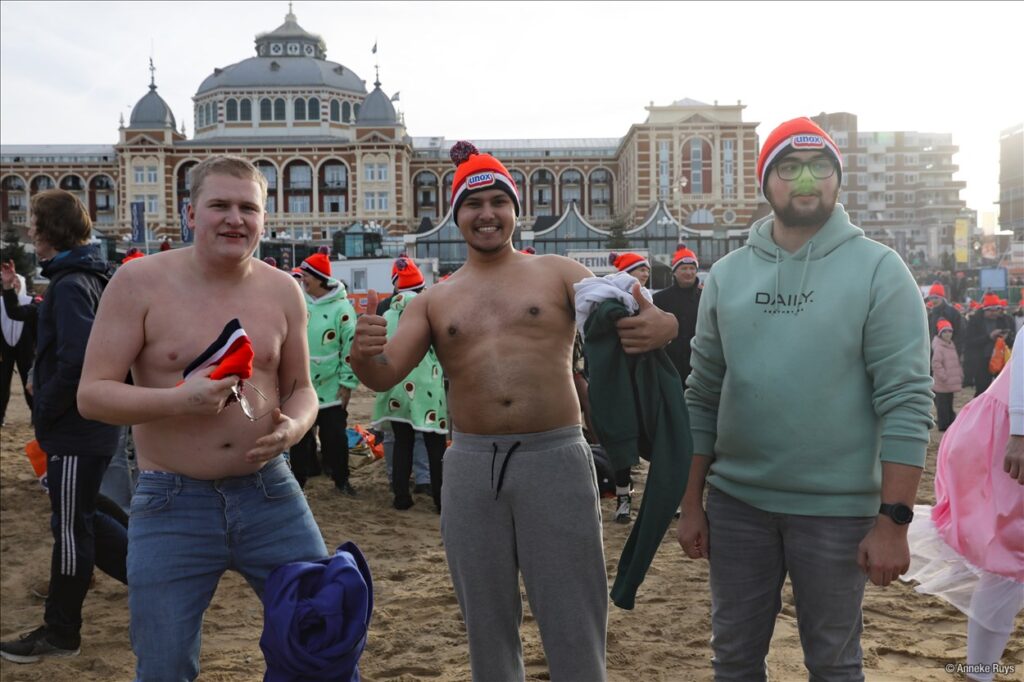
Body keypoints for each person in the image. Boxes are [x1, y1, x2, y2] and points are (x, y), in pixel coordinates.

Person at [351, 140, 677, 681]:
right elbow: (384, 373)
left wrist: (665, 325)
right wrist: (362, 355)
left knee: (573, 612)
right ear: (456, 215)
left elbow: (636, 304)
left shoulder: (557, 272)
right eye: (473, 205)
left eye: (498, 202)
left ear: (514, 211)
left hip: (554, 456)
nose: (487, 214)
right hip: (473, 464)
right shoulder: (435, 299)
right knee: (486, 619)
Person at [677, 117, 934, 681]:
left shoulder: (879, 270)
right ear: (766, 182)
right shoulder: (726, 275)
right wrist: (692, 500)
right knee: (735, 660)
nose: (805, 180)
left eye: (820, 167)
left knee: (835, 663)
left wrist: (893, 521)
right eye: (788, 167)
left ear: (838, 181)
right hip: (737, 505)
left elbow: (907, 402)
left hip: (838, 512)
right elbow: (703, 395)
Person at [74, 155, 328, 680]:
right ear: (190, 213)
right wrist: (178, 400)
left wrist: (294, 428)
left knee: (322, 638)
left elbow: (303, 389)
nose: (235, 218)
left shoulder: (284, 290)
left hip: (270, 494)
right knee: (164, 665)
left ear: (264, 218)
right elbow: (92, 395)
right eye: (219, 205)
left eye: (247, 208)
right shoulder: (138, 281)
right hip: (172, 502)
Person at [0, 189, 129, 663]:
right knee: (84, 512)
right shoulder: (78, 276)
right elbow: (41, 322)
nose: (29, 230)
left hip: (76, 429)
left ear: (50, 231)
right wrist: (15, 293)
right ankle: (149, 570)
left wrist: (45, 404)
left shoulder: (74, 282)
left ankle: (61, 633)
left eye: (34, 222)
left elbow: (78, 358)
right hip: (83, 428)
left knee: (72, 529)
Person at [903, 348, 1023, 682]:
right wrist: (1020, 431)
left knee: (1008, 561)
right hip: (1008, 436)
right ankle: (979, 673)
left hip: (1006, 430)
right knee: (1008, 557)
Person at [371, 256, 447, 512]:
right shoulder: (432, 310)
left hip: (397, 384)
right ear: (421, 286)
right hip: (429, 388)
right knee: (435, 444)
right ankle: (439, 499)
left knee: (402, 442)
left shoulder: (386, 311)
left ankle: (401, 497)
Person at [291, 247, 359, 494]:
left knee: (335, 439)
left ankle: (341, 480)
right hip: (301, 386)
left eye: (306, 275)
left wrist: (348, 383)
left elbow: (349, 347)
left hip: (332, 387)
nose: (303, 280)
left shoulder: (342, 309)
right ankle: (297, 484)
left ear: (319, 277)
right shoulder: (299, 302)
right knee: (298, 439)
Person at [606, 250, 654, 523]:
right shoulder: (611, 300)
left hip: (645, 381)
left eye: (647, 270)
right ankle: (623, 498)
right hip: (619, 382)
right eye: (640, 269)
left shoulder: (651, 300)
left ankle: (661, 498)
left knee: (656, 439)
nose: (645, 274)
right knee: (621, 440)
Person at [652, 244, 702, 382]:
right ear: (674, 272)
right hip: (669, 365)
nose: (688, 272)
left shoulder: (706, 298)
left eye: (692, 268)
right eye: (684, 268)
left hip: (698, 365)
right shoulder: (660, 299)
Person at [1, 264, 36, 425]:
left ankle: (36, 416)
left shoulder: (31, 302)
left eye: (17, 283)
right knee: (2, 384)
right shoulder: (2, 302)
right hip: (4, 349)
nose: (15, 286)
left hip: (26, 349)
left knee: (30, 384)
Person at [965, 292, 1015, 397]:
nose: (993, 312)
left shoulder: (1005, 320)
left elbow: (1012, 341)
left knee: (1001, 390)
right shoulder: (975, 321)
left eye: (996, 309)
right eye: (990, 310)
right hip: (981, 360)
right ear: (984, 310)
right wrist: (989, 337)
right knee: (982, 390)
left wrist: (1006, 338)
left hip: (1000, 359)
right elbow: (970, 341)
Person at [931, 318, 963, 431]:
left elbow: (955, 362)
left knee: (949, 403)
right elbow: (936, 363)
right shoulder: (939, 347)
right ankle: (943, 425)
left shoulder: (950, 345)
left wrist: (959, 374)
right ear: (940, 334)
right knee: (942, 405)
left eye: (950, 331)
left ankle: (950, 422)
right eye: (945, 331)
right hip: (942, 382)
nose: (948, 334)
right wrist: (943, 376)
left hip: (949, 383)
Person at [925, 281, 965, 355]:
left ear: (942, 298)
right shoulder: (931, 315)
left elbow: (960, 334)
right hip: (934, 353)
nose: (933, 301)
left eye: (936, 298)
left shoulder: (952, 313)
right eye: (931, 298)